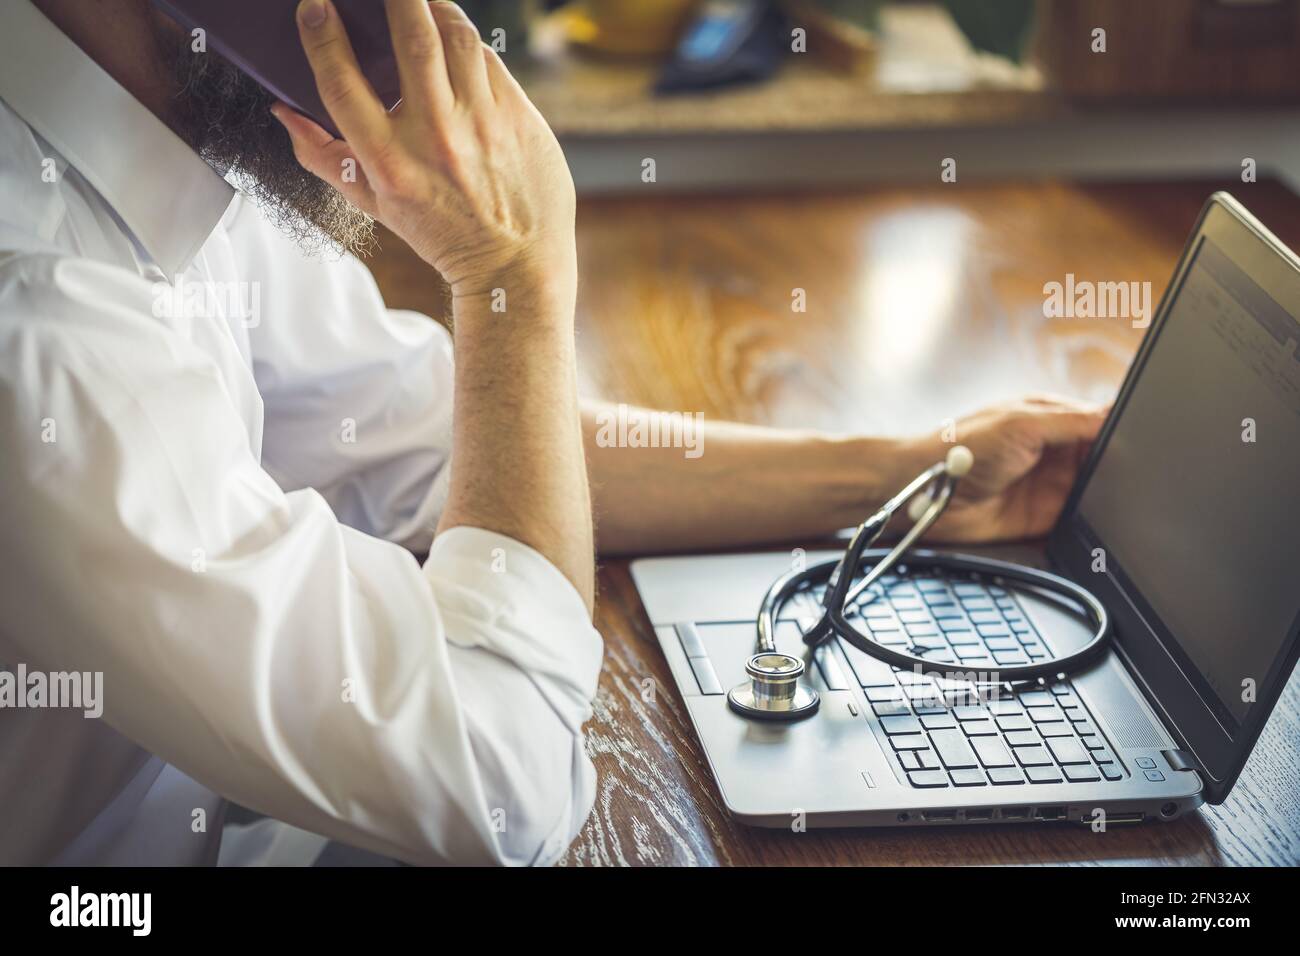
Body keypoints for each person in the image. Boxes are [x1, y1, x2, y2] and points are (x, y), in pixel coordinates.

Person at [0, 0, 1104, 866]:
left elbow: (434, 443)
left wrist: (913, 475)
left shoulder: (144, 147)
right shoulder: (45, 320)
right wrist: (513, 283)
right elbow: (505, 786)